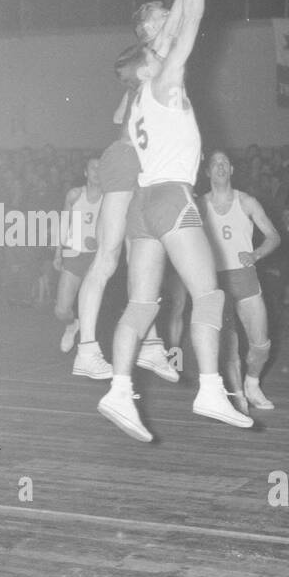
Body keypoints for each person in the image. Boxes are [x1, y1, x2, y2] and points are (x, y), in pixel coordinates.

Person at [97, 0, 251, 440]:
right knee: (209, 297)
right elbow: (196, 14)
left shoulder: (140, 95)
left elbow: (183, 13)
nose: (173, 21)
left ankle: (118, 391)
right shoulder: (164, 76)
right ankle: (211, 390)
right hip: (171, 197)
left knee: (142, 302)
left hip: (143, 205)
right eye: (161, 21)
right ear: (149, 41)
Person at [69, 25, 178, 385]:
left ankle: (149, 344)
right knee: (108, 256)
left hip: (144, 167)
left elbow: (119, 115)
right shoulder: (150, 70)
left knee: (141, 260)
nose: (162, 57)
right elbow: (172, 26)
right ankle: (86, 350)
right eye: (156, 54)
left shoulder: (146, 84)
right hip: (125, 160)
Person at [198, 151, 281, 410]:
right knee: (229, 345)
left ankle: (252, 384)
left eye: (225, 163)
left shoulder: (246, 202)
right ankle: (238, 396)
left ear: (232, 169)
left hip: (245, 278)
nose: (220, 167)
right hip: (216, 281)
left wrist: (256, 254)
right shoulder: (199, 205)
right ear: (208, 172)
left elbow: (274, 236)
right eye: (215, 164)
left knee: (261, 344)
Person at [55, 157, 103, 352]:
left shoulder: (110, 198)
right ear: (85, 172)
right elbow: (64, 223)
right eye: (93, 167)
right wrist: (58, 252)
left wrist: (100, 241)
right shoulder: (75, 195)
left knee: (91, 309)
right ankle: (71, 325)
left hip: (98, 258)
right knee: (61, 310)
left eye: (101, 168)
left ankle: (89, 350)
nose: (97, 171)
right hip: (74, 255)